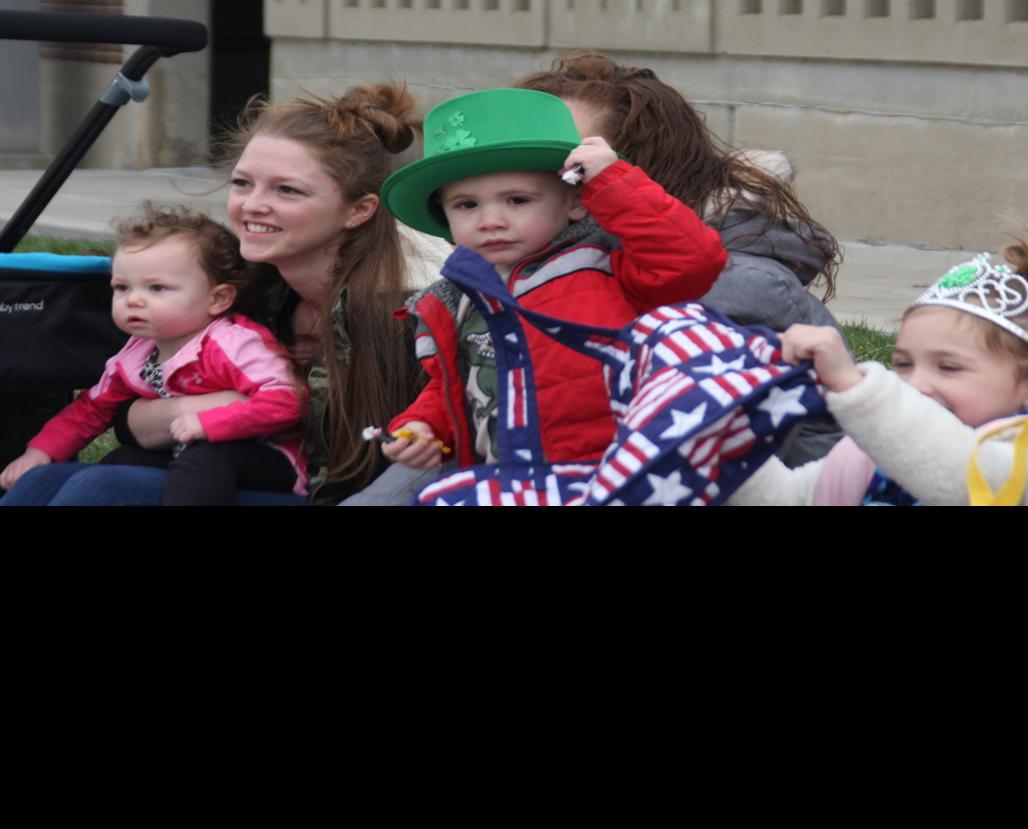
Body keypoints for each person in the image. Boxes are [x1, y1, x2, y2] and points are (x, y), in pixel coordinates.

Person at [0, 84, 427, 506]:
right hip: (219, 465)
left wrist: (202, 414)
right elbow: (131, 418)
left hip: (345, 497)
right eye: (243, 183)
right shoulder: (241, 286)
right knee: (45, 482)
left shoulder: (410, 309)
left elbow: (438, 457)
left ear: (360, 210)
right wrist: (210, 408)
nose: (252, 205)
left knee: (105, 488)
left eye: (287, 190)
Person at [515, 52, 845, 466]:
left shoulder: (729, 286)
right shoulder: (537, 265)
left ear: (640, 173)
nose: (524, 183)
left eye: (566, 167)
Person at [375, 88, 725, 472]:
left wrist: (613, 183)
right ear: (443, 213)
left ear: (575, 202)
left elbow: (693, 261)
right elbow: (459, 385)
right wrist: (423, 426)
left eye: (517, 200)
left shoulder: (607, 266)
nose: (490, 220)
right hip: (504, 486)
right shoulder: (455, 298)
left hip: (611, 481)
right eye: (467, 205)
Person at [728, 224, 1028, 506]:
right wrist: (720, 435)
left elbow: (963, 480)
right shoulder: (881, 446)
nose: (914, 385)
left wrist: (853, 386)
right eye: (902, 363)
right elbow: (789, 498)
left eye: (949, 367)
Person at [1, 204, 305, 504]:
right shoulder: (136, 353)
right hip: (187, 448)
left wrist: (210, 422)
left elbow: (287, 399)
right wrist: (40, 452)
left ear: (218, 299)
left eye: (157, 288)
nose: (133, 300)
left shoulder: (233, 343)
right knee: (118, 462)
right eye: (121, 287)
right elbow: (91, 410)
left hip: (269, 457)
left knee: (205, 458)